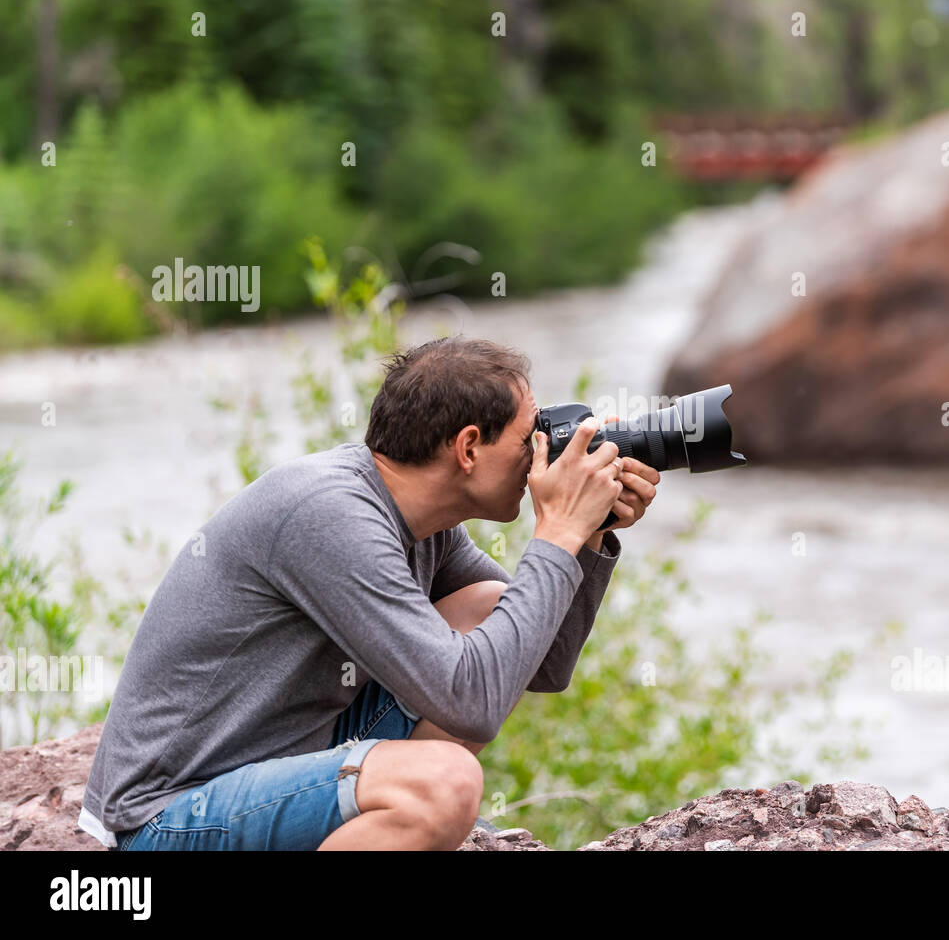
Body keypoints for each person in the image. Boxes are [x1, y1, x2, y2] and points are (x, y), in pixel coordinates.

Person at [77, 335, 659, 850]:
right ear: (468, 447)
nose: (542, 452)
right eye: (528, 435)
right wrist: (555, 533)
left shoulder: (424, 526)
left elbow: (541, 663)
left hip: (280, 771)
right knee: (444, 786)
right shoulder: (329, 513)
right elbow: (472, 705)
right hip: (167, 816)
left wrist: (588, 537)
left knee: (487, 607)